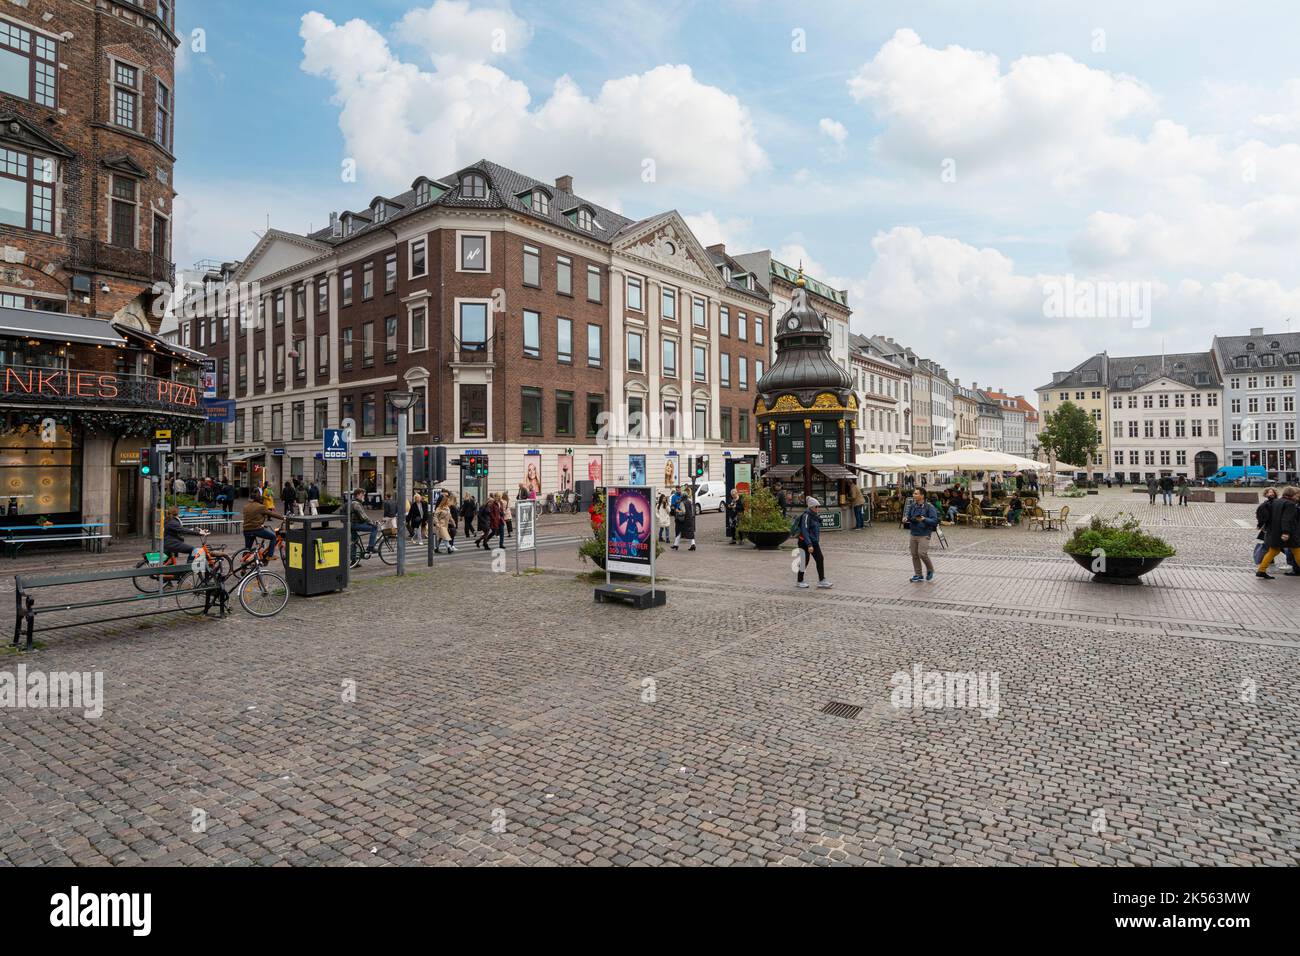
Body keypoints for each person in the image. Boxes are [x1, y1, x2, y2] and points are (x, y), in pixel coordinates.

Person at [1255, 486, 1300, 579]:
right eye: (1297, 494)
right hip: (1286, 533)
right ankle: (1261, 570)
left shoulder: (1276, 501)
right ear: (1292, 494)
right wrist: (1286, 532)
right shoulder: (1290, 504)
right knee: (1297, 550)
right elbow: (1286, 519)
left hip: (1274, 531)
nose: (1298, 496)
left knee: (1273, 551)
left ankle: (1261, 570)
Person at [903, 488, 939, 583]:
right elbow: (909, 515)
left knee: (922, 553)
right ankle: (918, 575)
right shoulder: (913, 506)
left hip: (924, 534)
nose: (914, 495)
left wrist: (924, 519)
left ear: (922, 496)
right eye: (914, 493)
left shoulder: (929, 507)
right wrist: (906, 518)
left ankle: (930, 569)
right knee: (914, 554)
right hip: (913, 533)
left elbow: (935, 521)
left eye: (916, 494)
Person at [795, 497, 831, 589]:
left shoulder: (815, 515)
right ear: (811, 507)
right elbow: (805, 531)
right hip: (804, 542)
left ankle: (821, 580)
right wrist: (809, 544)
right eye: (816, 506)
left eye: (818, 506)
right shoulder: (806, 516)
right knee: (804, 561)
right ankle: (799, 581)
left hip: (814, 541)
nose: (818, 508)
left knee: (820, 558)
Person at [349, 490, 379, 554]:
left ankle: (354, 561)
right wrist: (372, 522)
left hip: (351, 524)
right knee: (374, 528)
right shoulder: (356, 504)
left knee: (354, 542)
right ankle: (370, 547)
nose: (363, 496)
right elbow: (364, 517)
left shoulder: (353, 502)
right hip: (355, 524)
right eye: (362, 495)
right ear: (357, 495)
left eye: (364, 495)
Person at [672, 486, 696, 551]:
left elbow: (683, 512)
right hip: (690, 519)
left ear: (682, 496)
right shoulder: (689, 502)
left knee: (679, 531)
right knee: (690, 532)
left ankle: (676, 545)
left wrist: (678, 511)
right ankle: (693, 544)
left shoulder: (682, 503)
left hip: (684, 520)